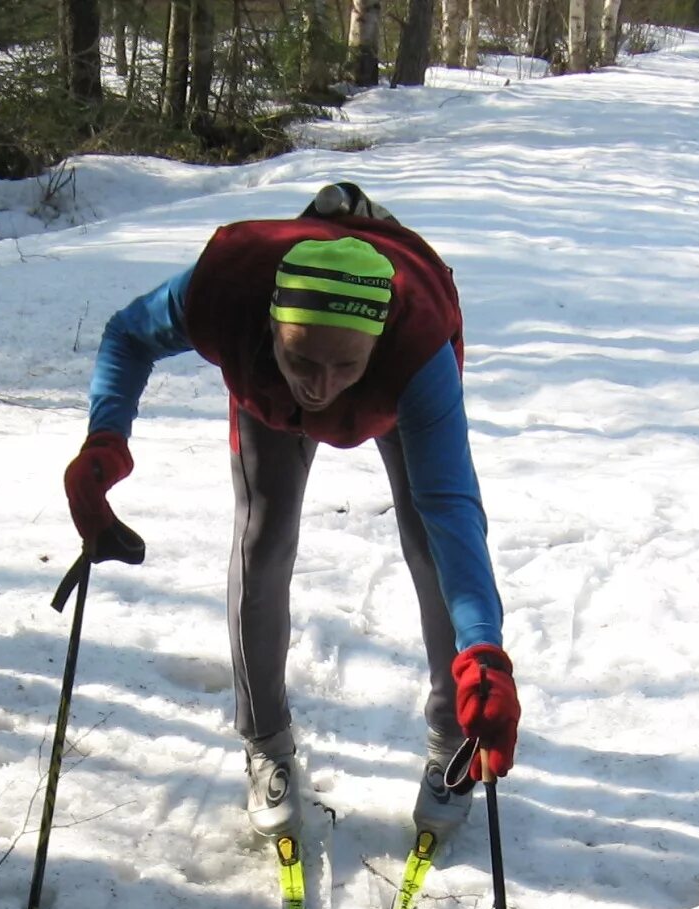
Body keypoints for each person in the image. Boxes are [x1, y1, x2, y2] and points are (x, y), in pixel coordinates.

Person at [62, 182, 520, 843]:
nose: (319, 383)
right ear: (271, 321)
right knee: (262, 539)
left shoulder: (416, 349)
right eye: (302, 356)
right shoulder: (226, 292)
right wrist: (106, 436)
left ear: (376, 342)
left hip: (388, 390)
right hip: (263, 393)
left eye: (341, 365)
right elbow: (128, 333)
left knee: (429, 546)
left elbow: (454, 510)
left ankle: (454, 736)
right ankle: (266, 743)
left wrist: (484, 655)